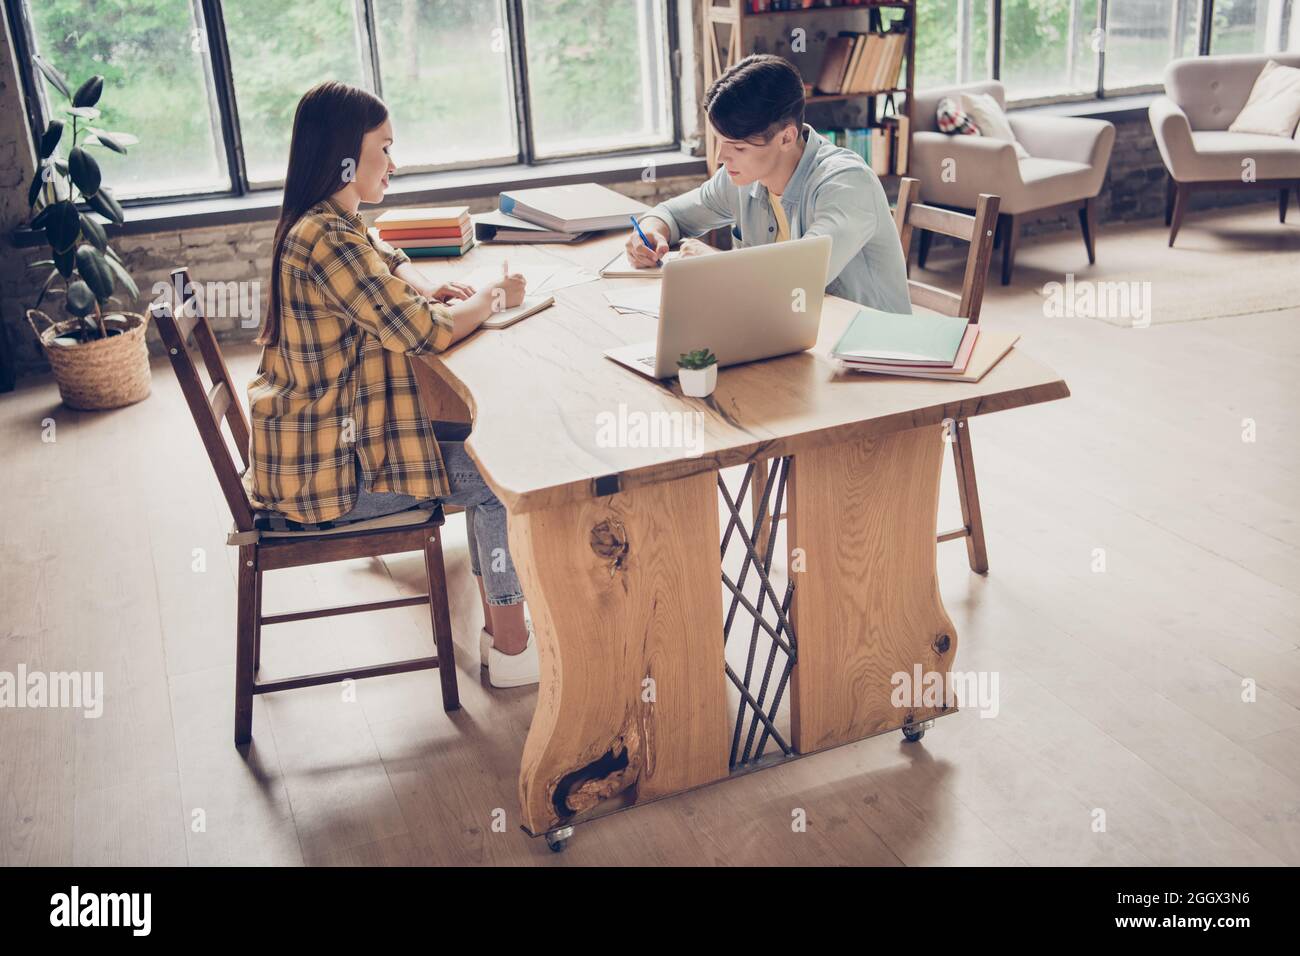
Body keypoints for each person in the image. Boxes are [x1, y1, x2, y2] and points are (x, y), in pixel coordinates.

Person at [246, 81, 537, 688]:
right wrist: (485, 300)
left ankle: (504, 630)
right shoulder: (324, 239)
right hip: (328, 478)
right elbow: (423, 333)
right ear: (346, 157)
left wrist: (420, 280)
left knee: (478, 439)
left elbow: (378, 249)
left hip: (314, 452)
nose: (394, 163)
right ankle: (511, 652)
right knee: (498, 480)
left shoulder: (327, 221)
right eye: (385, 147)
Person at [627, 54, 911, 315]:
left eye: (737, 147)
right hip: (789, 334)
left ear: (786, 138)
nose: (721, 158)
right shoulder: (740, 177)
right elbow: (673, 214)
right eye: (719, 142)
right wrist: (650, 231)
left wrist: (715, 266)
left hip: (871, 353)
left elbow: (800, 277)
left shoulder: (846, 183)